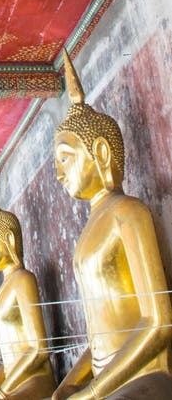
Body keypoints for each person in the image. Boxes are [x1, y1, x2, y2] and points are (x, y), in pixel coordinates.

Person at [52, 50, 172, 400]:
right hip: (110, 380)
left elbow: (159, 323)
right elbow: (98, 339)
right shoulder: (88, 233)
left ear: (100, 153)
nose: (59, 173)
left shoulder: (128, 213)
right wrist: (69, 386)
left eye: (65, 159)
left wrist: (92, 392)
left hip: (147, 374)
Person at [0, 176, 56, 400]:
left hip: (35, 380)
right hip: (16, 382)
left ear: (8, 239)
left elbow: (38, 349)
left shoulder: (23, 280)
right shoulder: (3, 290)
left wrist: (2, 391)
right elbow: (8, 362)